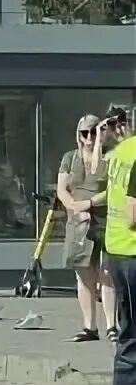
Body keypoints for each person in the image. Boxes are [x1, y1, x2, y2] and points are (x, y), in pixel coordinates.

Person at [56, 114, 114, 342]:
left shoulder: (108, 157)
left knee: (106, 274)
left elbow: (113, 190)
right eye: (84, 132)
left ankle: (111, 325)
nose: (89, 137)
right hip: (78, 223)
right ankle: (90, 326)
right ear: (78, 135)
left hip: (103, 220)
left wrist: (89, 203)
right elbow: (62, 187)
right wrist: (72, 205)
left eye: (93, 131)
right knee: (83, 275)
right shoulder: (70, 158)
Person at [103, 105, 136, 385]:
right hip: (134, 251)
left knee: (128, 332)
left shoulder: (120, 153)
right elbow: (133, 213)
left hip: (117, 250)